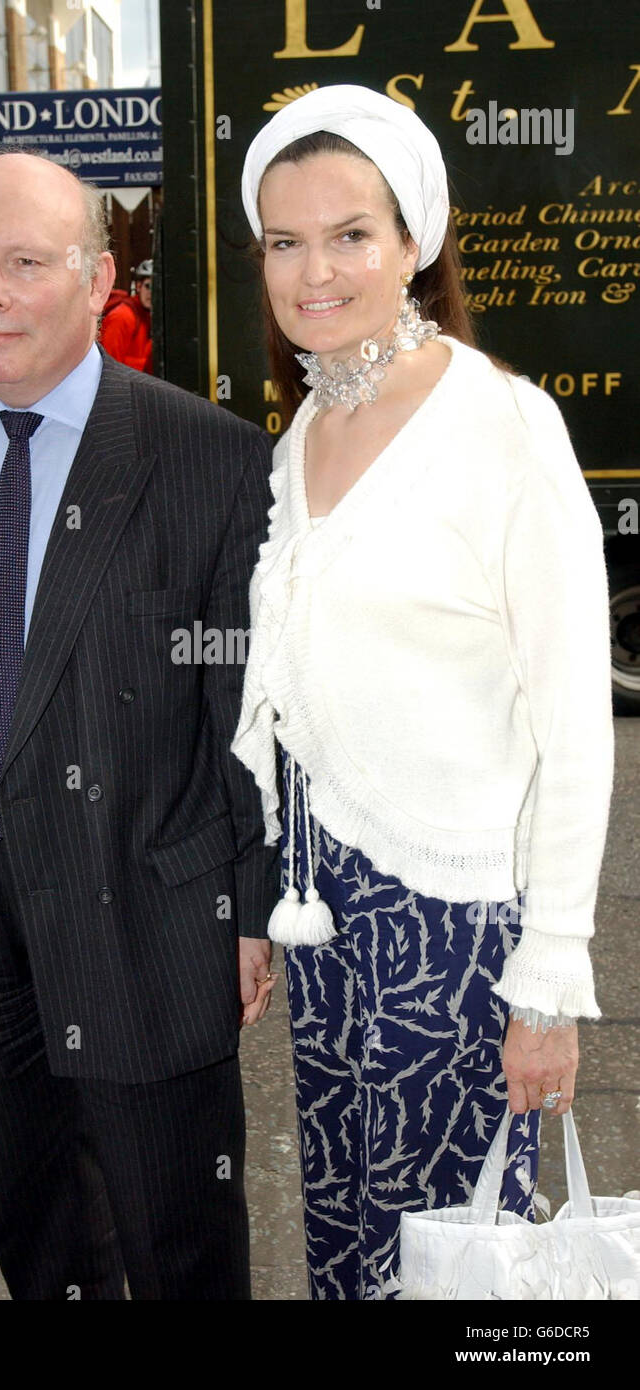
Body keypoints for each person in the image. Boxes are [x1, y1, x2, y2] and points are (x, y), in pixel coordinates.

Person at [0, 150, 280, 1301]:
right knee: (37, 1226)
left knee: (176, 1241)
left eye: (26, 264)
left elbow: (246, 705)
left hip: (147, 909)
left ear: (98, 276)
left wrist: (249, 908)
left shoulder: (205, 455)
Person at [231, 85, 614, 1300]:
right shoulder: (303, 435)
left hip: (451, 933)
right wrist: (270, 892)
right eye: (284, 242)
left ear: (416, 241)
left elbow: (571, 725)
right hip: (329, 914)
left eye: (349, 234)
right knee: (346, 1235)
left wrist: (546, 981)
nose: (314, 271)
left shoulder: (502, 425)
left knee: (454, 1267)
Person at [100, 258, 153, 372]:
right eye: (148, 286)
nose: (151, 293)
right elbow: (109, 365)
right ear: (139, 286)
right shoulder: (122, 316)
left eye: (156, 287)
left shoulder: (148, 317)